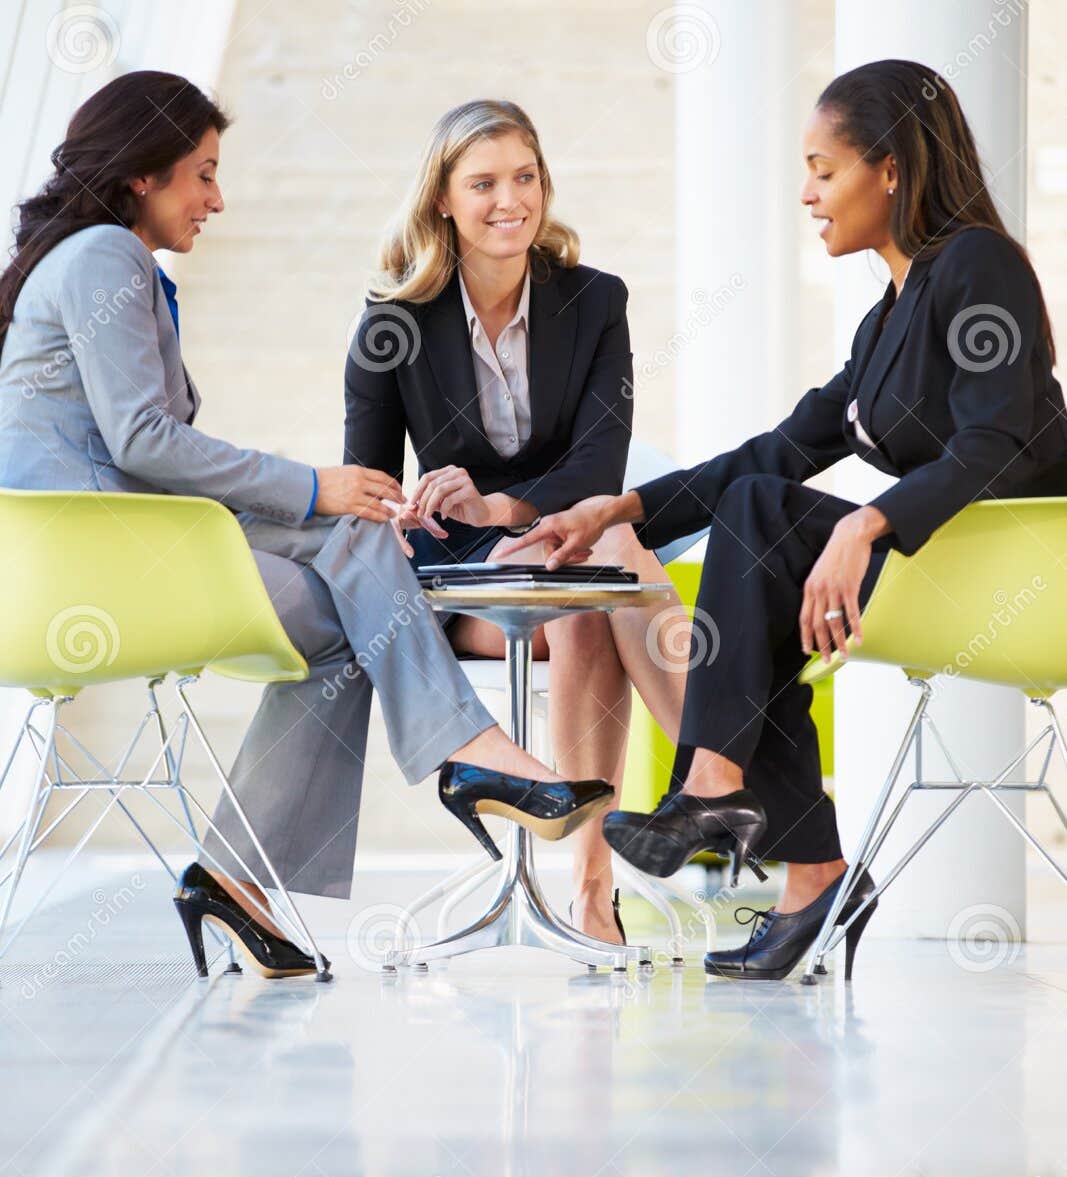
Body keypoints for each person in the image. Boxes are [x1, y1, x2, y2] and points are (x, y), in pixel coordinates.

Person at [0, 72, 611, 980]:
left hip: (109, 547)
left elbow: (139, 451)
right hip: (97, 563)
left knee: (353, 608)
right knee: (359, 556)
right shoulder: (102, 257)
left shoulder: (101, 261)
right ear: (142, 176)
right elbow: (141, 439)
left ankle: (236, 881)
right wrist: (309, 487)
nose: (216, 198)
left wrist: (321, 496)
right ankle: (471, 756)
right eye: (202, 174)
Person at [502, 59, 1067, 981]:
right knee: (756, 518)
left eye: (823, 168)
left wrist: (862, 525)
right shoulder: (884, 321)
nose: (806, 193)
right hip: (943, 570)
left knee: (762, 523)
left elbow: (998, 438)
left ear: (890, 168)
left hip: (1017, 578)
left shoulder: (977, 263)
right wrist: (624, 507)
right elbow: (777, 450)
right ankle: (805, 873)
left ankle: (722, 798)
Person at [344, 99, 691, 946]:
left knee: (596, 557)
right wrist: (417, 511)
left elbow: (599, 465)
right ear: (442, 202)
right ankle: (707, 792)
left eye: (525, 177)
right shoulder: (391, 322)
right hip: (468, 578)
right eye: (484, 182)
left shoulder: (594, 302)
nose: (511, 200)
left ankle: (594, 879)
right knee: (603, 562)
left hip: (569, 541)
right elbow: (370, 485)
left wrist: (507, 507)